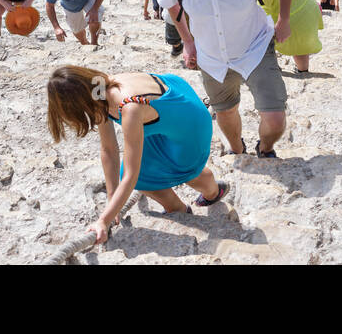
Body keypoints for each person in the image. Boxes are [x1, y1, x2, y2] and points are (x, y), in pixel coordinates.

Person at [47, 65, 225, 245]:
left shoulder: (129, 108)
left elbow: (131, 176)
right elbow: (109, 149)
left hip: (190, 125)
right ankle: (184, 201)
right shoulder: (97, 86)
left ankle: (208, 192)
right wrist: (112, 201)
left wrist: (103, 221)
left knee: (148, 175)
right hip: (170, 104)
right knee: (147, 170)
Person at [158, 0, 294, 157]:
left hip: (255, 49)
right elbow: (169, 3)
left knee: (276, 119)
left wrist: (284, 20)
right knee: (226, 112)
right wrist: (187, 41)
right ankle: (238, 150)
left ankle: (265, 148)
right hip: (212, 59)